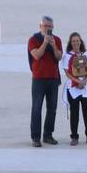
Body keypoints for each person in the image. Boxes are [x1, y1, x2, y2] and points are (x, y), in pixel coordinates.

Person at [27, 16, 63, 146]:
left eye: (50, 26)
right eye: (46, 26)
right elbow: (36, 55)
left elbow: (59, 57)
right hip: (39, 79)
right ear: (40, 26)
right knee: (37, 107)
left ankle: (48, 135)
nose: (48, 29)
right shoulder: (33, 39)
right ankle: (36, 137)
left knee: (52, 108)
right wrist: (45, 43)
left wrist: (53, 45)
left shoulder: (57, 40)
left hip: (53, 79)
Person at [61, 32, 87, 146]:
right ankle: (74, 136)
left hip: (85, 86)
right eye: (73, 41)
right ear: (70, 43)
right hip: (73, 87)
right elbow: (67, 73)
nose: (76, 42)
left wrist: (84, 81)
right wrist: (78, 82)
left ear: (80, 42)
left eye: (77, 40)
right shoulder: (67, 56)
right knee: (74, 113)